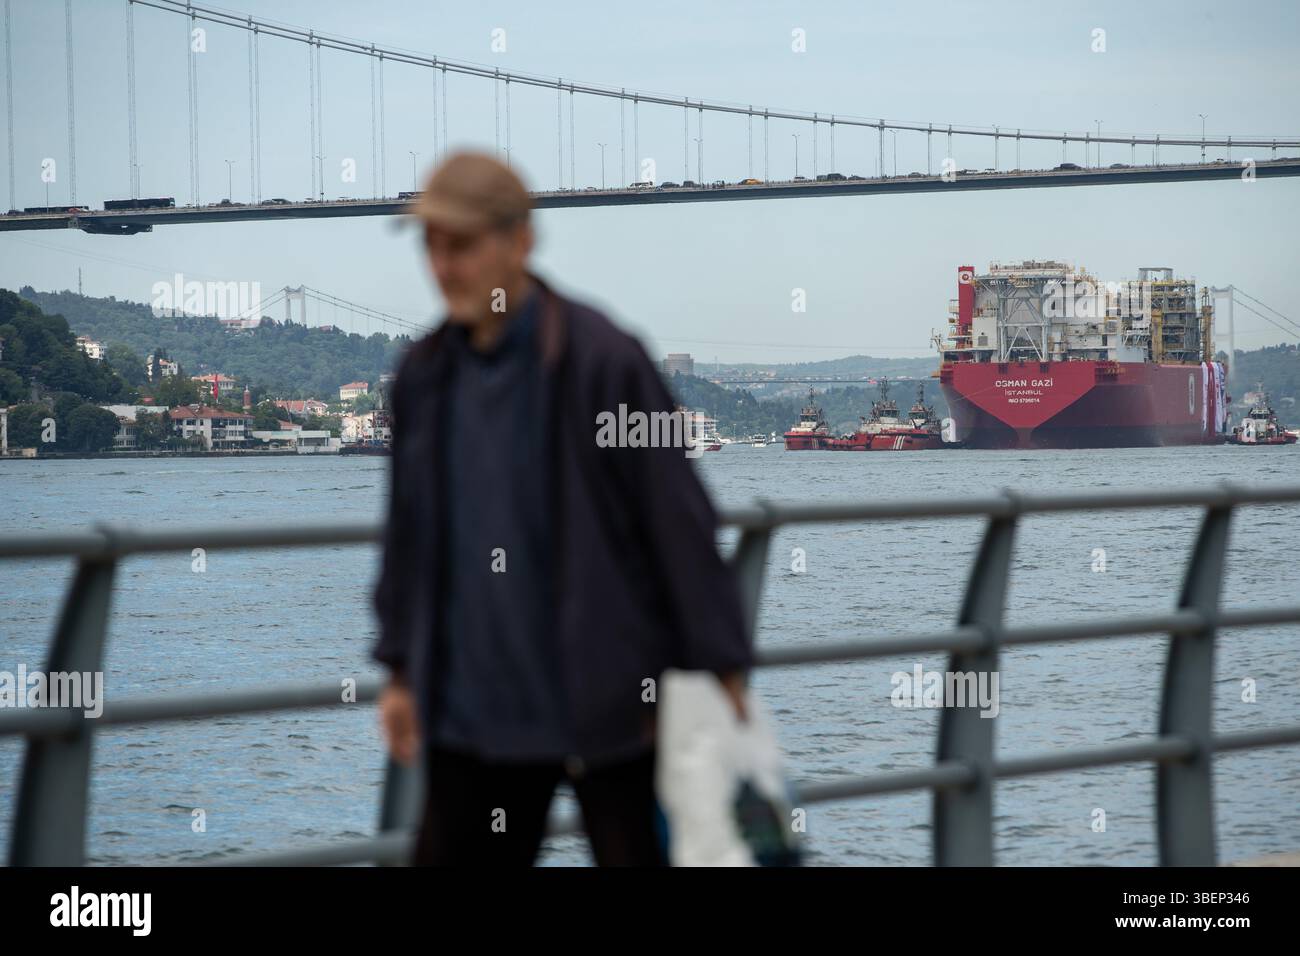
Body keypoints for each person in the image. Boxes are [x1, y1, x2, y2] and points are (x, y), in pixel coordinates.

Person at [371, 151, 752, 866]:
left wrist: (723, 672)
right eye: (431, 245)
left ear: (520, 242)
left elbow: (679, 522)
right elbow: (409, 538)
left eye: (461, 244)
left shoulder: (606, 362)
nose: (443, 267)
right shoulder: (424, 378)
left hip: (610, 706)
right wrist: (397, 669)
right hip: (472, 713)